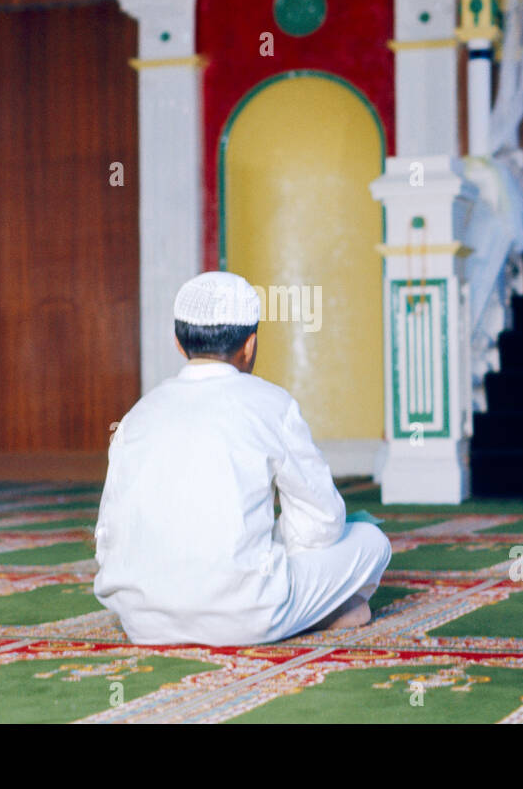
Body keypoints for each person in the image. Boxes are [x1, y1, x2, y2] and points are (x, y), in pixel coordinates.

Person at [92, 270, 392, 646]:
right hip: (245, 616)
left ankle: (311, 609)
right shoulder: (272, 403)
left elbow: (107, 537)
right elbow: (323, 524)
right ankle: (321, 612)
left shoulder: (137, 414)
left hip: (143, 622)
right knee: (371, 541)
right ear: (249, 345)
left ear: (178, 343)